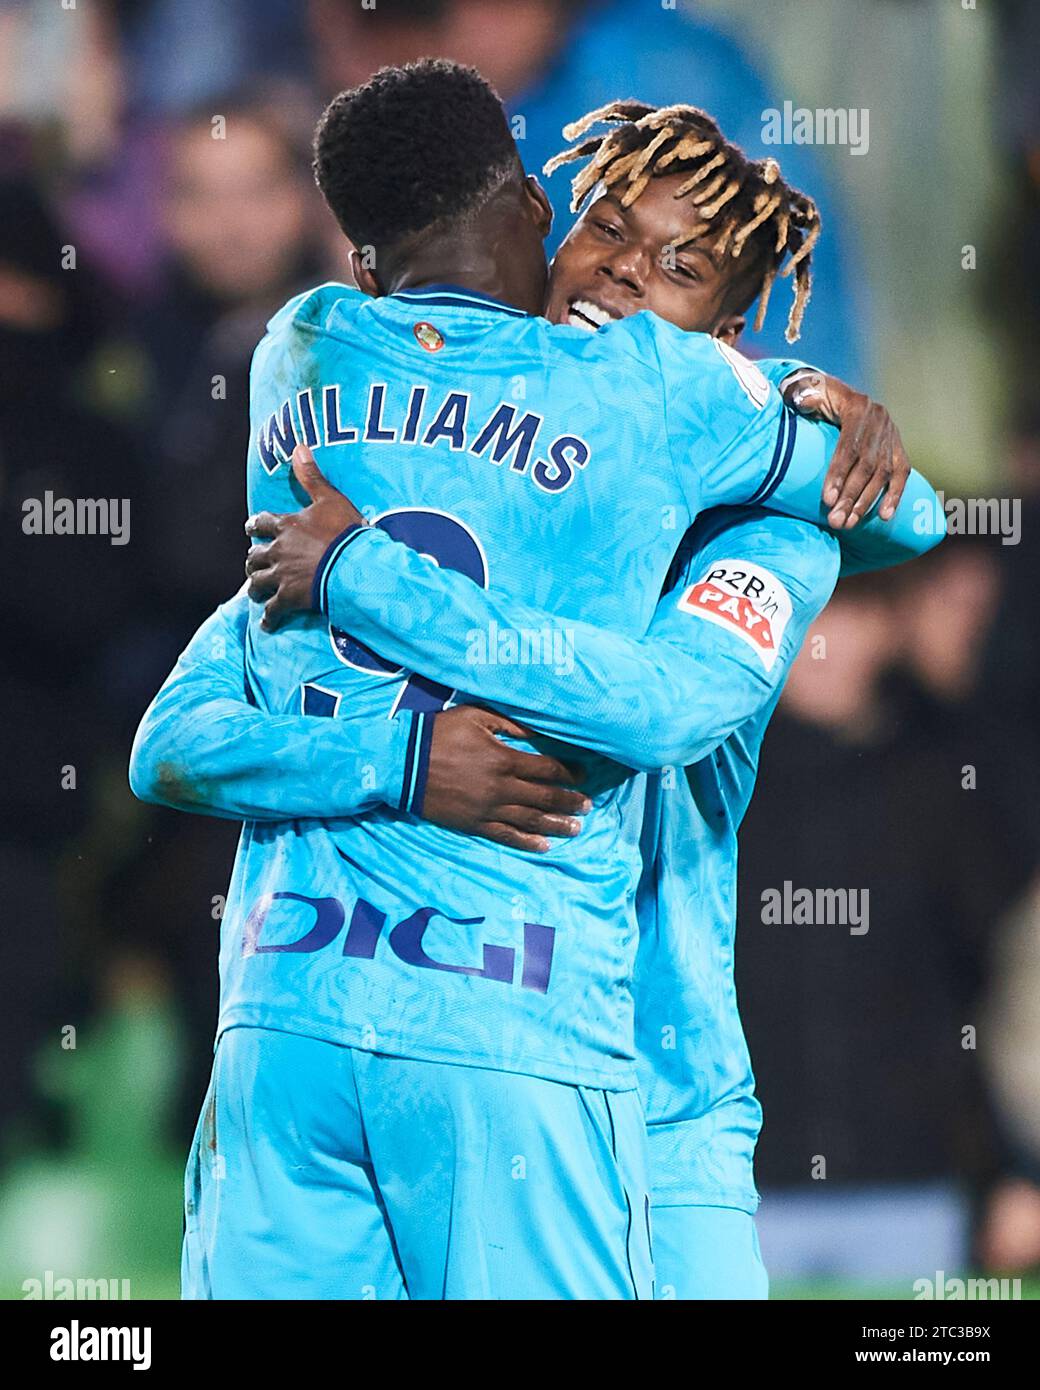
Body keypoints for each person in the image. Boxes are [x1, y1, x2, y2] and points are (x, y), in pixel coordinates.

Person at [131, 61, 940, 1300]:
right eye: (608, 228)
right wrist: (400, 749)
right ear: (547, 222)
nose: (621, 270)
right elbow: (176, 735)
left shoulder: (761, 538)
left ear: (723, 343)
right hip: (450, 1035)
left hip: (659, 1099)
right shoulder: (388, 461)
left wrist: (365, 574)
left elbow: (667, 704)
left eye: (677, 270)